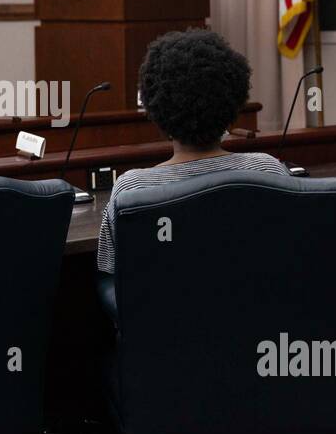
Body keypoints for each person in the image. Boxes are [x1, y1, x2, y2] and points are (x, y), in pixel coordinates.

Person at [96, 29, 286, 274]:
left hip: (166, 311)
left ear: (155, 109)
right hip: (260, 308)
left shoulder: (133, 189)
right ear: (234, 101)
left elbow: (111, 269)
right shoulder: (268, 170)